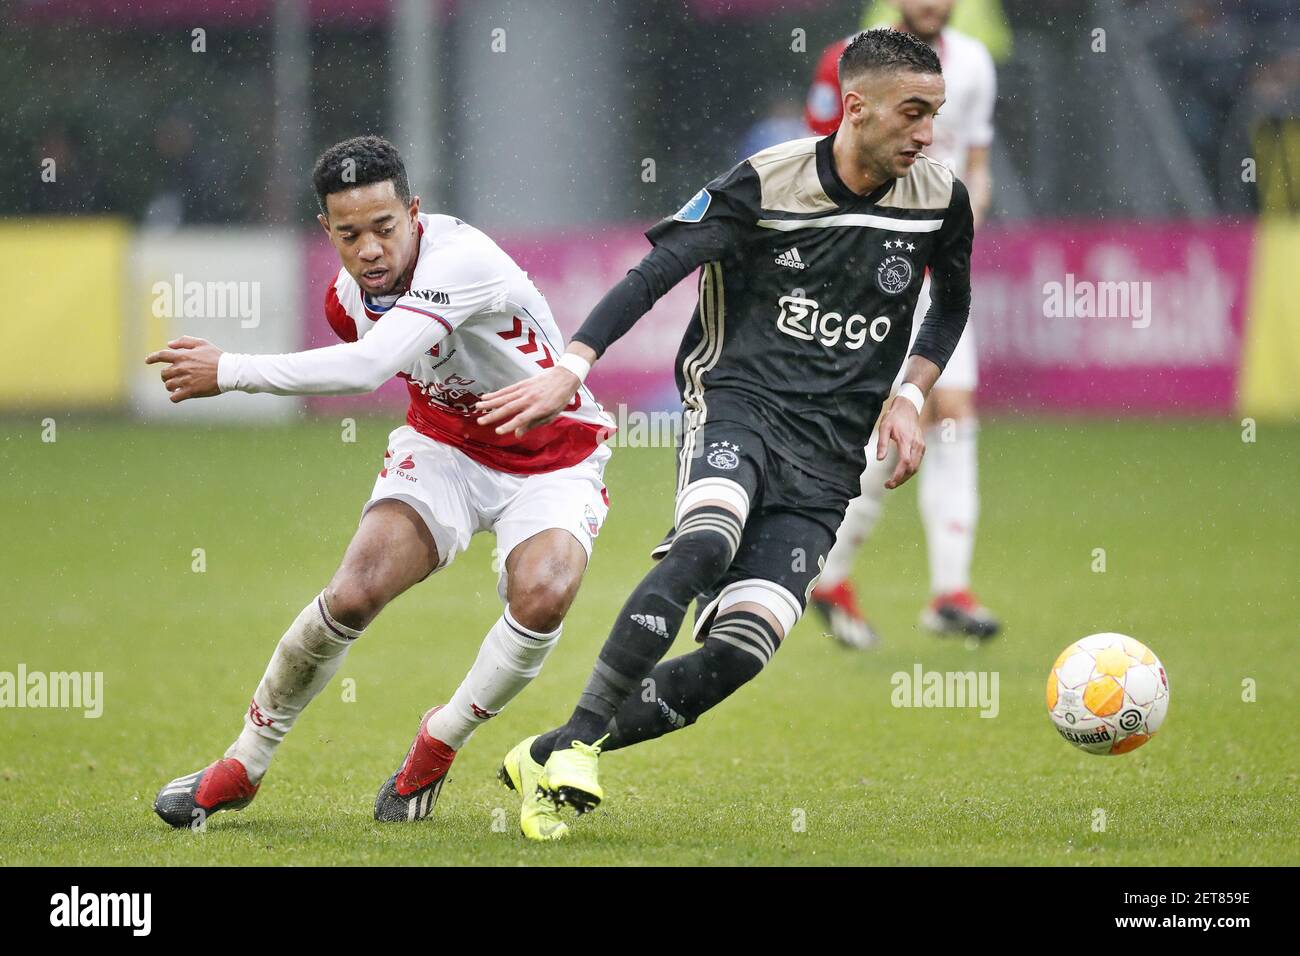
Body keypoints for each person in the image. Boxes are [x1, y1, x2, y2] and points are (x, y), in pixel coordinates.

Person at [476, 29, 973, 840]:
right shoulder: (764, 184)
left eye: (935, 115)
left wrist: (911, 395)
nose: (927, 133)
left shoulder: (940, 200)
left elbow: (950, 303)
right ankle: (572, 753)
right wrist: (574, 363)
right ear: (856, 107)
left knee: (741, 652)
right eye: (913, 113)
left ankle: (560, 747)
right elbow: (655, 274)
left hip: (829, 457)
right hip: (736, 404)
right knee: (705, 543)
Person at [146, 135, 615, 828]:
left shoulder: (463, 261)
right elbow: (365, 347)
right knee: (354, 589)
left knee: (544, 593)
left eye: (384, 228)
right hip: (445, 447)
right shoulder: (349, 292)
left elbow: (366, 368)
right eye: (349, 234)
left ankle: (438, 742)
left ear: (415, 213)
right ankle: (243, 763)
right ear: (326, 232)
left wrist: (230, 369)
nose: (369, 249)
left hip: (555, 455)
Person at [805, 0, 1000, 647]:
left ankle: (949, 590)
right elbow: (819, 158)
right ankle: (830, 574)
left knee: (955, 409)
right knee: (894, 415)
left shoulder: (972, 63)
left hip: (938, 263)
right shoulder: (854, 58)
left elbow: (975, 161)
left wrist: (967, 221)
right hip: (875, 266)